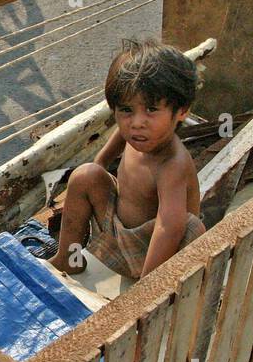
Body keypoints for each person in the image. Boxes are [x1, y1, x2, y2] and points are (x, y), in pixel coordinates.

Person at [45, 38, 206, 281]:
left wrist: (145, 287)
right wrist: (96, 172)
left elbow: (168, 228)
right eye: (126, 110)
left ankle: (149, 288)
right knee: (85, 174)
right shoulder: (134, 133)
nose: (136, 122)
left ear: (182, 111)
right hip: (117, 237)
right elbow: (113, 146)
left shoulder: (172, 163)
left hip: (154, 256)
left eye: (151, 109)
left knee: (191, 226)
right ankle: (68, 258)